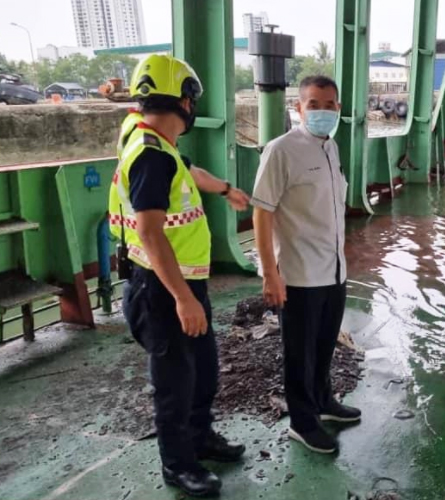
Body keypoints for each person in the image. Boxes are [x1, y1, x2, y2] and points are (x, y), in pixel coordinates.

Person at [108, 54, 249, 497]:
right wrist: (183, 299)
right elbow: (150, 233)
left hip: (184, 283)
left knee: (203, 369)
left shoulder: (153, 140)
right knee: (173, 382)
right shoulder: (150, 156)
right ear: (185, 101)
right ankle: (178, 464)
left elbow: (192, 174)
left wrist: (227, 190)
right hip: (162, 288)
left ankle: (201, 436)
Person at [251, 75, 361, 454]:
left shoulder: (331, 147)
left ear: (339, 110)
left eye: (330, 104)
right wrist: (270, 274)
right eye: (314, 104)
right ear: (298, 108)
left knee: (325, 344)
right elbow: (262, 212)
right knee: (299, 352)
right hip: (298, 275)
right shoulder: (282, 150)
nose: (323, 111)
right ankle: (302, 421)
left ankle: (323, 401)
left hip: (334, 270)